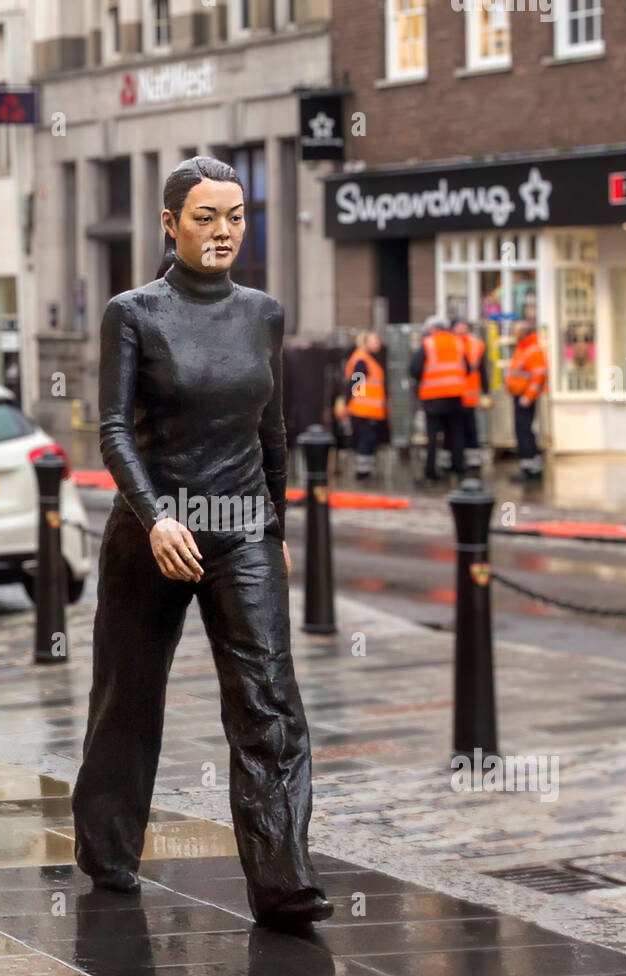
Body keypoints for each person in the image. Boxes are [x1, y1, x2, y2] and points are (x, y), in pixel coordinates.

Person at [72, 155, 332, 930]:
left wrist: (275, 526)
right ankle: (109, 849)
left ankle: (284, 880)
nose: (223, 232)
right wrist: (156, 517)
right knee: (128, 697)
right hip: (154, 529)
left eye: (235, 217)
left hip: (239, 528)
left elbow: (270, 428)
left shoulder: (263, 312)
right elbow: (114, 429)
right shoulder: (134, 312)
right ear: (169, 224)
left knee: (269, 702)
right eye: (205, 218)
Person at [413, 316, 470, 485]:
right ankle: (457, 469)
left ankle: (431, 472)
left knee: (432, 436)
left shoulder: (428, 344)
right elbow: (466, 368)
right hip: (455, 395)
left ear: (431, 329)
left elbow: (415, 369)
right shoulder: (458, 343)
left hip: (434, 396)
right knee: (456, 434)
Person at [506, 320, 549, 482]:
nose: (514, 334)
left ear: (523, 333)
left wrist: (528, 397)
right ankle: (529, 467)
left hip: (525, 397)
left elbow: (539, 376)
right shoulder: (524, 348)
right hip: (520, 395)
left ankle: (530, 469)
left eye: (515, 331)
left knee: (524, 431)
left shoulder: (532, 349)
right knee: (522, 431)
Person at [341, 330, 387, 480]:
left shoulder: (366, 359)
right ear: (365, 342)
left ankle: (365, 471)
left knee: (367, 441)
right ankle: (362, 473)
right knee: (366, 441)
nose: (378, 343)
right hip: (364, 410)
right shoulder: (362, 360)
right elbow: (355, 384)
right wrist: (351, 403)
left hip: (366, 409)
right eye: (374, 340)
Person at [453, 317, 490, 476]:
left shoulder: (475, 345)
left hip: (469, 394)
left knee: (471, 429)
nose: (462, 329)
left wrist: (485, 391)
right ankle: (458, 459)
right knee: (456, 429)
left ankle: (473, 460)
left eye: (464, 326)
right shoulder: (451, 344)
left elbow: (482, 369)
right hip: (453, 394)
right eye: (459, 326)